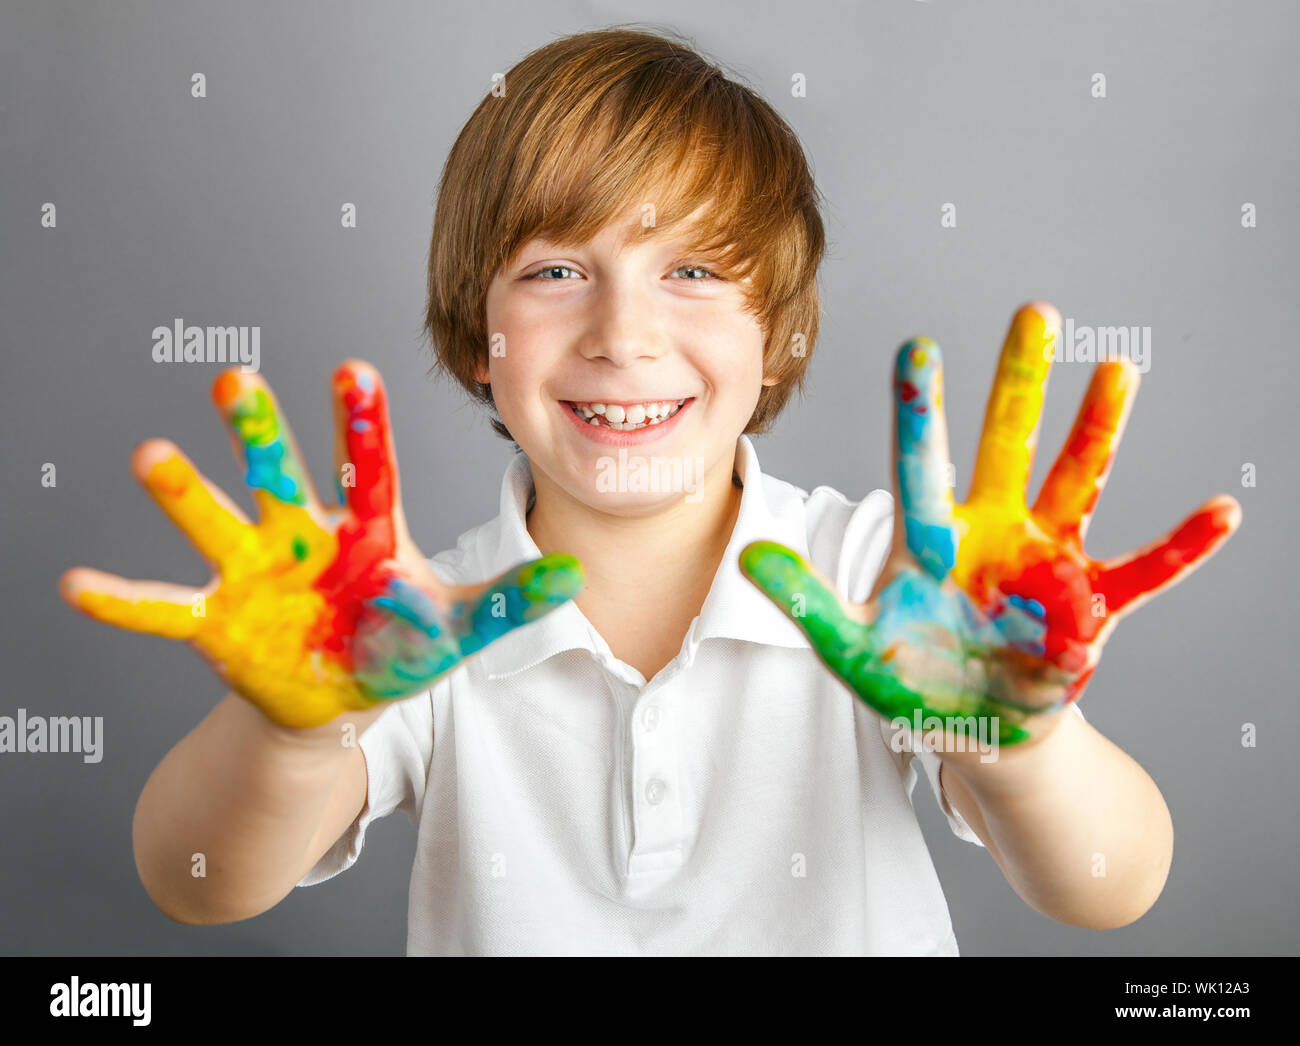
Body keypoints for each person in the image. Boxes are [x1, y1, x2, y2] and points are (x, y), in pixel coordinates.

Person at [60, 27, 1241, 955]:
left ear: (777, 335)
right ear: (481, 338)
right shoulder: (418, 617)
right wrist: (289, 725)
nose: (623, 334)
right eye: (558, 270)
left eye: (691, 270)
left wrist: (1015, 737)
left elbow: (1107, 890)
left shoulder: (888, 580)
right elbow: (198, 884)